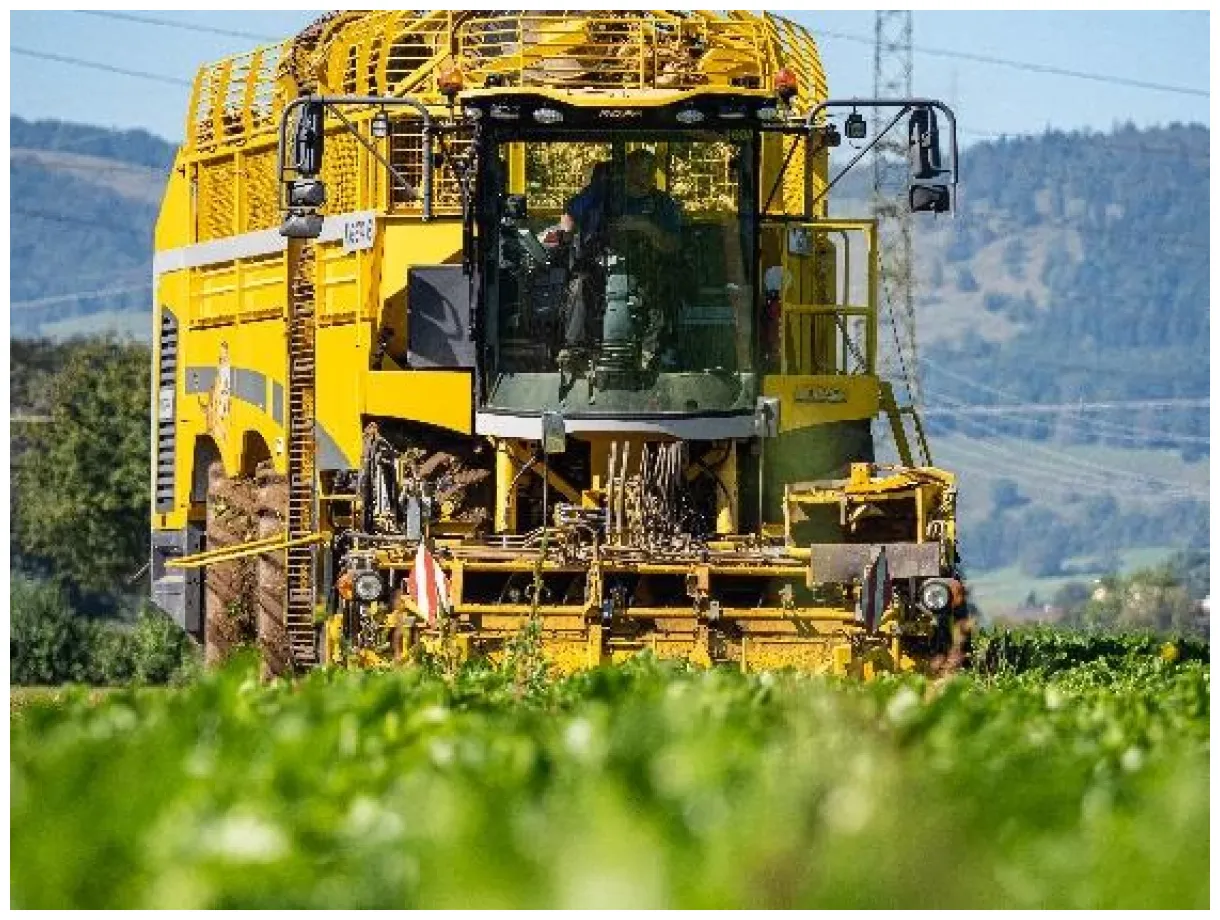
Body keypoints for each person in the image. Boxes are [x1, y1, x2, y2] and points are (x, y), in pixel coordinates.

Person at [557, 149, 683, 366]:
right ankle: (574, 349)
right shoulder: (599, 195)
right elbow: (570, 214)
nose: (645, 175)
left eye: (649, 170)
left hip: (645, 270)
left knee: (665, 288)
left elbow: (673, 245)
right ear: (627, 170)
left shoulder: (663, 204)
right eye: (639, 169)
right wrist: (566, 234)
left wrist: (644, 226)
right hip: (599, 266)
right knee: (579, 286)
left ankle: (651, 352)